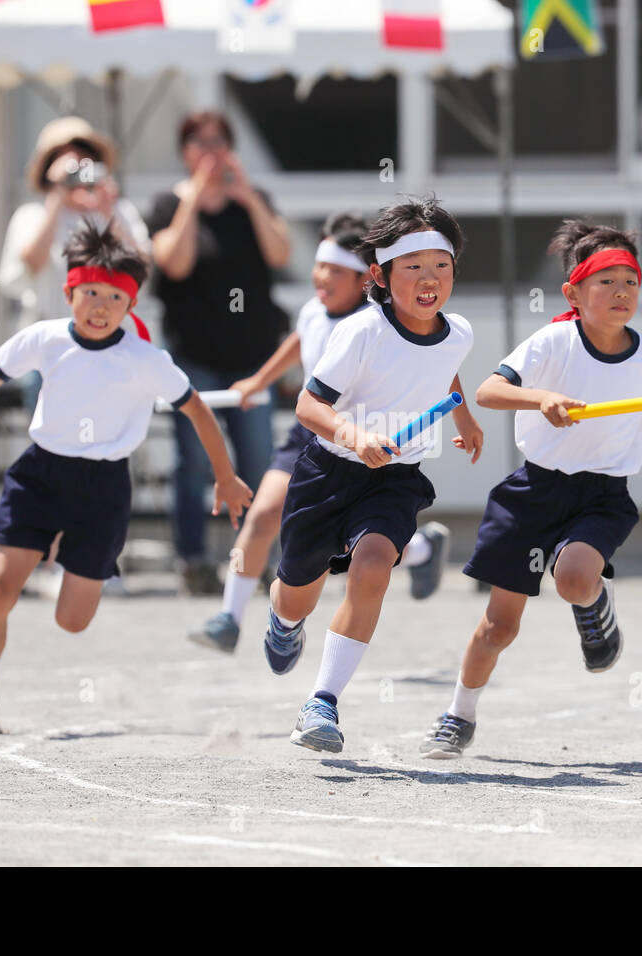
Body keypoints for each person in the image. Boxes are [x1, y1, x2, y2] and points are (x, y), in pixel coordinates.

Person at [417, 221, 642, 759]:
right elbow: (488, 391)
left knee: (574, 578)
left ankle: (595, 601)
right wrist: (541, 398)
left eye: (631, 282)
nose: (622, 293)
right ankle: (459, 715)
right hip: (532, 492)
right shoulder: (553, 342)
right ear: (573, 292)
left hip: (602, 495)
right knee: (499, 627)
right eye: (606, 281)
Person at [0, 221, 253, 736]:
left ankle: (71, 563)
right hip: (39, 475)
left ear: (130, 306)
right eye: (90, 293)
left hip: (103, 489)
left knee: (72, 621)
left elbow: (197, 410)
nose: (101, 306)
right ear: (69, 293)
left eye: (114, 296)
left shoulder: (146, 359)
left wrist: (224, 476)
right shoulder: (43, 338)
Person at [264, 197, 484, 755]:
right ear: (381, 276)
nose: (430, 279)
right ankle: (284, 621)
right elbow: (309, 408)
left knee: (372, 566)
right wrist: (355, 437)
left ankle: (322, 702)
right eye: (414, 267)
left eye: (442, 265)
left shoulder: (458, 331)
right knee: (295, 597)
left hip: (395, 477)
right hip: (327, 472)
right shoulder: (361, 332)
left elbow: (442, 366)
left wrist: (464, 416)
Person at [187, 212, 451, 653]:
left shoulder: (379, 324)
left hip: (368, 442)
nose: (322, 278)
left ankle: (419, 547)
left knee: (361, 542)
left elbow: (439, 360)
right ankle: (229, 617)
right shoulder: (314, 311)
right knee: (265, 511)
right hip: (311, 433)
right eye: (320, 267)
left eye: (336, 271)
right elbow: (299, 340)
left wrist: (461, 419)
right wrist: (260, 381)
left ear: (366, 280)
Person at [147, 110, 291, 595]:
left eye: (218, 141)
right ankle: (193, 559)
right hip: (194, 358)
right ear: (184, 150)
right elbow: (175, 262)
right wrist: (193, 201)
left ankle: (262, 558)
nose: (209, 151)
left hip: (252, 358)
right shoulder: (169, 204)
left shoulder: (253, 202)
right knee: (195, 464)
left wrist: (247, 197)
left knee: (257, 460)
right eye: (198, 142)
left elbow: (280, 253)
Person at [0, 116, 153, 407]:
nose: (76, 171)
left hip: (111, 351)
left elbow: (141, 267)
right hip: (49, 354)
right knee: (50, 448)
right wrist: (57, 198)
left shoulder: (119, 212)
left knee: (107, 446)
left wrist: (109, 212)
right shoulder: (32, 216)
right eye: (65, 162)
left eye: (84, 159)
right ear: (48, 171)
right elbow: (30, 264)